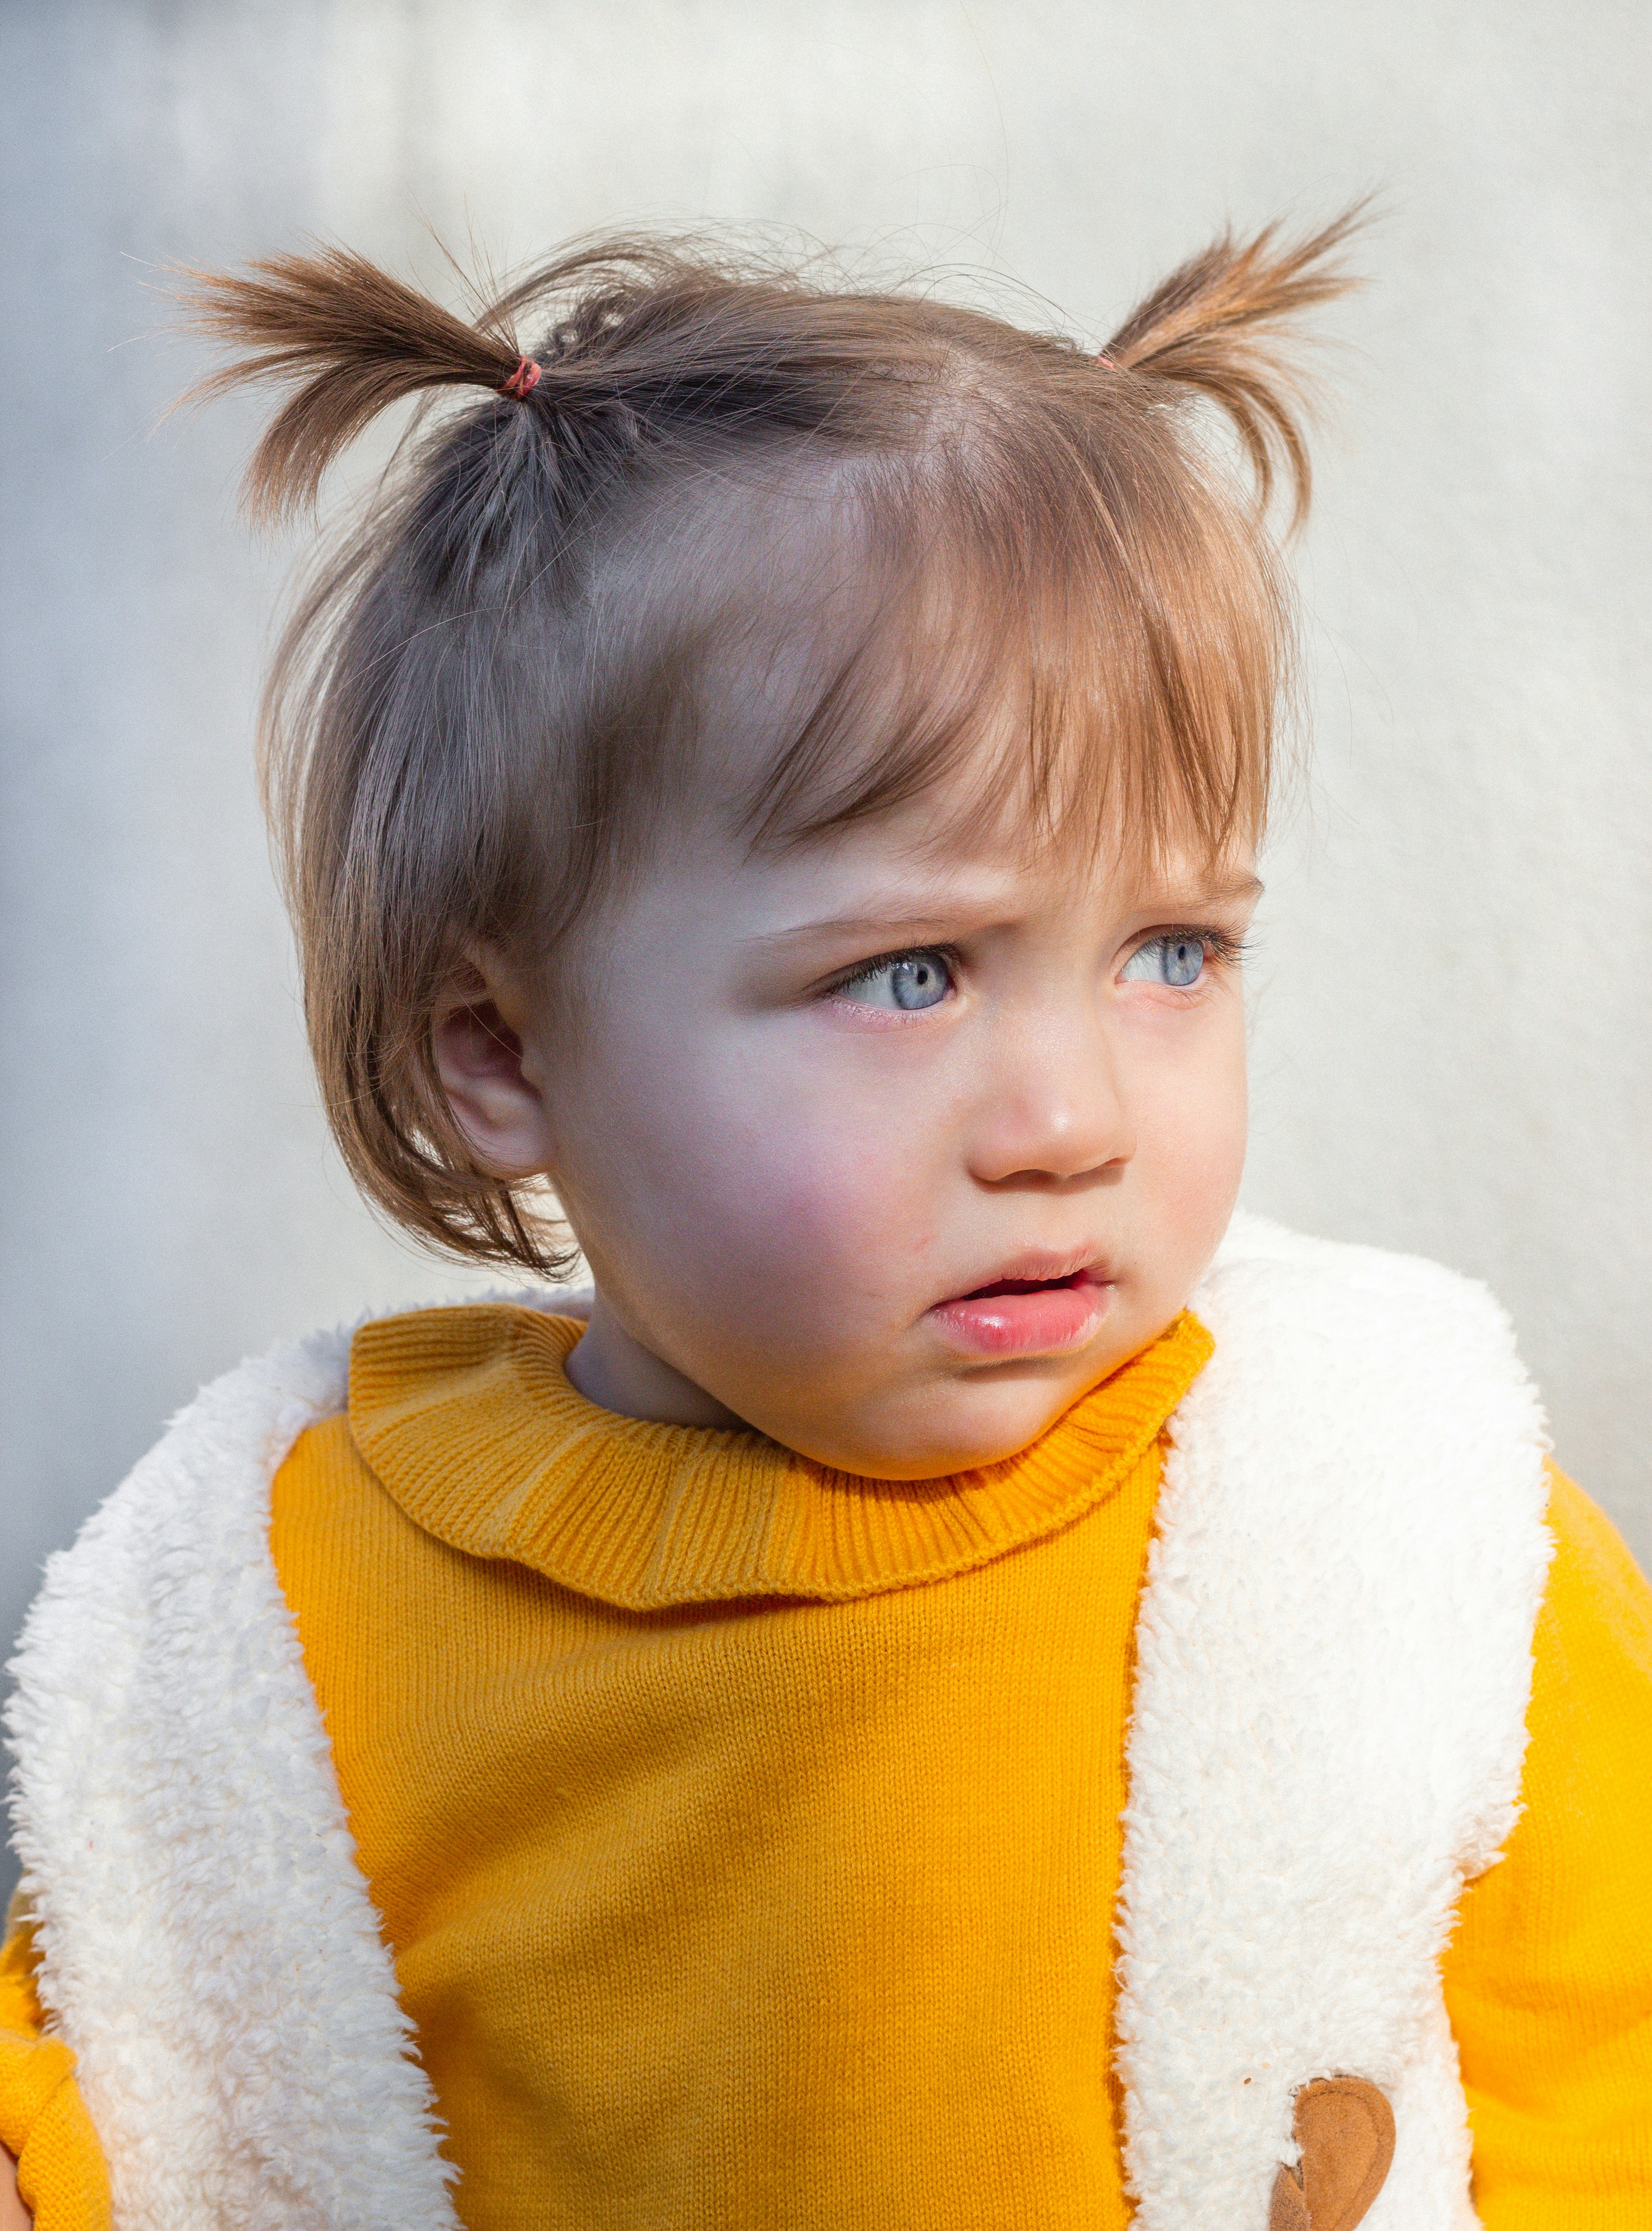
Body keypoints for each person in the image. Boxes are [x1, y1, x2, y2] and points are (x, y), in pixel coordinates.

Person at [1, 212, 1649, 2231]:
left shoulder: (1394, 1522)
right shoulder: (269, 1621)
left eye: (1169, 950)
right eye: (911, 976)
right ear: (502, 1054)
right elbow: (136, 2109)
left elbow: (1605, 2092)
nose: (1072, 1121)